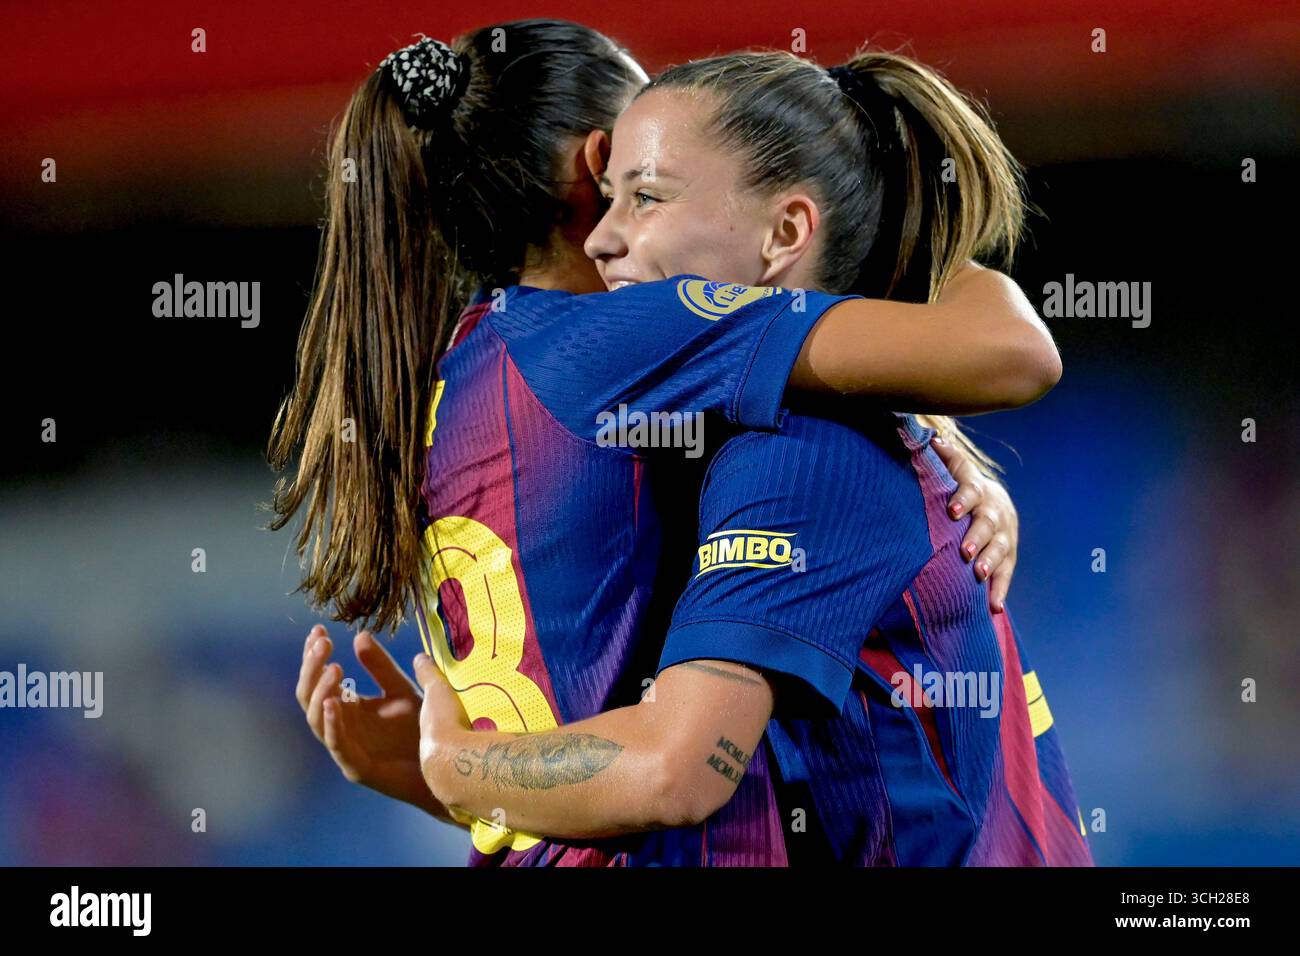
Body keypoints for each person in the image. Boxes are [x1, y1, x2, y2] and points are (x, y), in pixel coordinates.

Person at [277, 22, 1059, 863]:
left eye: (646, 194)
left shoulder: (461, 372)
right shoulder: (638, 348)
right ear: (594, 159)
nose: (616, 230)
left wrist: (461, 775)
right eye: (625, 186)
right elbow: (676, 772)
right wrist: (460, 771)